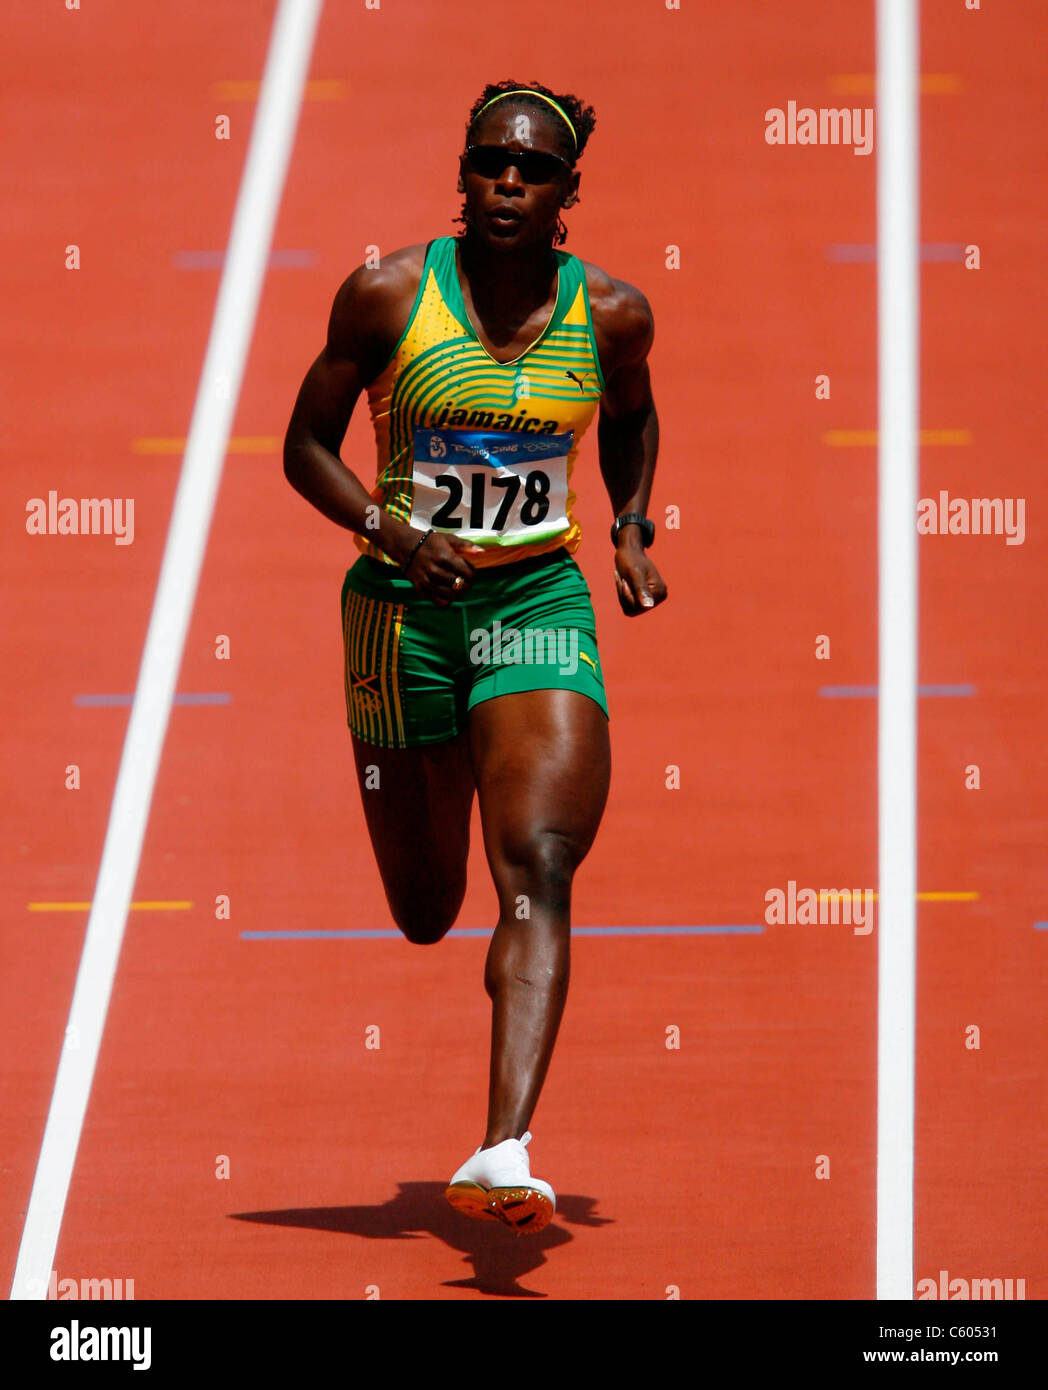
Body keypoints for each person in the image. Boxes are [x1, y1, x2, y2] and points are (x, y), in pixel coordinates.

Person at [283, 79, 667, 1234]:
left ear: (567, 192)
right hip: (400, 617)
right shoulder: (388, 294)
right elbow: (304, 444)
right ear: (463, 174)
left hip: (535, 600)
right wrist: (394, 529)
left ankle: (505, 1145)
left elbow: (635, 417)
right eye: (489, 163)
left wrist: (632, 526)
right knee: (423, 904)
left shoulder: (610, 314)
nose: (507, 182)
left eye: (532, 169)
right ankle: (452, 786)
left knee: (539, 861)